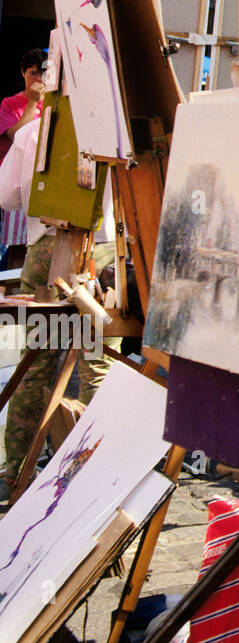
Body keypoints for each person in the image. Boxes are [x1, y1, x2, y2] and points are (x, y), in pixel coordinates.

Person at [0, 110, 115, 500]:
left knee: (36, 365)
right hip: (98, 251)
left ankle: (17, 469)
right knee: (96, 362)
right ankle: (93, 473)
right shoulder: (113, 125)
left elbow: (7, 196)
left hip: (45, 247)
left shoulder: (34, 130)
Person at [0, 49, 46, 268]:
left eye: (42, 73)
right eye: (32, 73)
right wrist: (32, 103)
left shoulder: (54, 103)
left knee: (39, 244)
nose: (37, 79)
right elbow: (17, 135)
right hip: (16, 183)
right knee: (16, 247)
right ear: (23, 73)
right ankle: (14, 300)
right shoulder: (9, 104)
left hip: (42, 182)